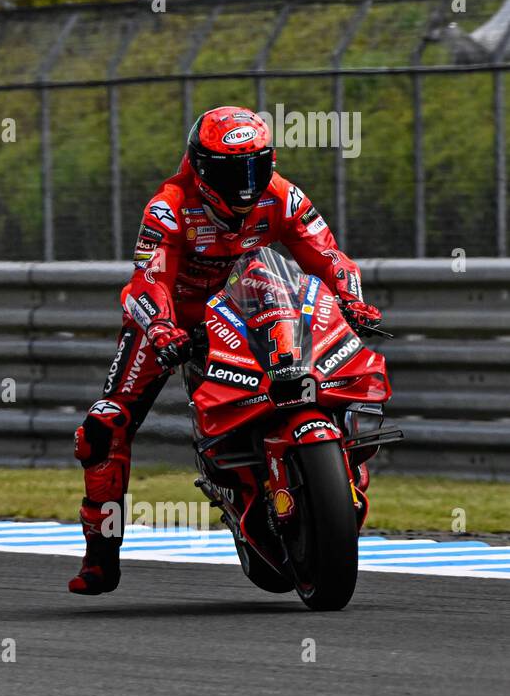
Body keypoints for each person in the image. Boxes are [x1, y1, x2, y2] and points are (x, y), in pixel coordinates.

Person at [68, 105, 384, 595]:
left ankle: (333, 474)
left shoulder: (283, 195)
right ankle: (101, 557)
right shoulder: (169, 207)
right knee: (103, 426)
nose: (244, 183)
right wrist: (164, 328)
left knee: (324, 370)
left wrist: (354, 302)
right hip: (178, 321)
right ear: (199, 165)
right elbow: (148, 281)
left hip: (254, 308)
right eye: (228, 170)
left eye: (253, 167)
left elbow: (328, 257)